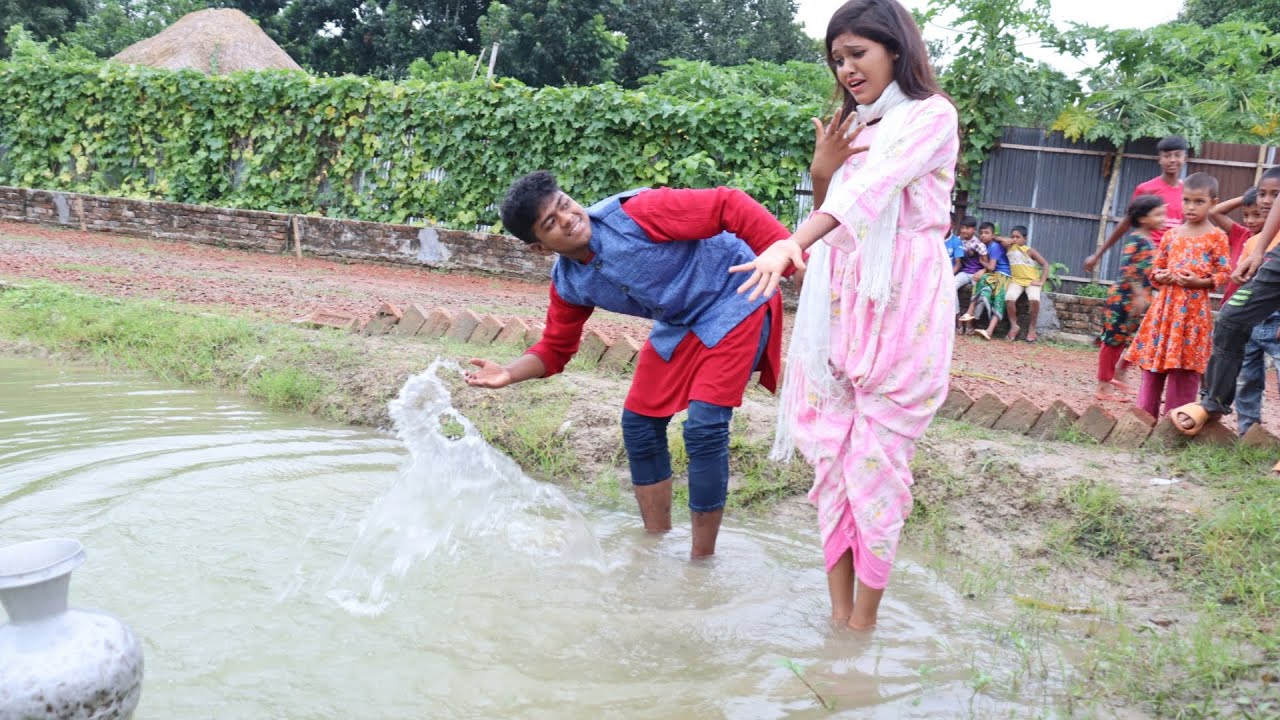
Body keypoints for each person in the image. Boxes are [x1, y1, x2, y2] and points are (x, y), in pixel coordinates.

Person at [730, 0, 958, 631]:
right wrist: (820, 171)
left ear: (896, 49)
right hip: (843, 298)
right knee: (832, 458)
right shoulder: (851, 126)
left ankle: (864, 623)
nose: (847, 69)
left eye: (858, 54)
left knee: (877, 466)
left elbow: (876, 190)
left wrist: (791, 241)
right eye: (838, 59)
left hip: (902, 303)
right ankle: (839, 620)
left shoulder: (932, 117)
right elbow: (844, 212)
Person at [465, 171, 794, 559]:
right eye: (551, 223)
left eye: (565, 205)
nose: (569, 219)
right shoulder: (569, 283)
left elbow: (727, 204)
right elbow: (555, 348)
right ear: (539, 247)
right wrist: (508, 373)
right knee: (639, 424)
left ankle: (700, 561)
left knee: (705, 426)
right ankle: (654, 545)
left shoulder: (638, 212)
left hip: (737, 295)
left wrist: (782, 250)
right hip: (681, 324)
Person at [1124, 173, 1230, 420]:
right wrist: (1163, 277)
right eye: (1186, 201)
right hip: (1164, 311)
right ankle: (1143, 419)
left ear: (1213, 203)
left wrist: (1199, 282)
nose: (1190, 207)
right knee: (1153, 364)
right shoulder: (1172, 235)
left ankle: (1175, 423)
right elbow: (1155, 270)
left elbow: (1224, 273)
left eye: (1198, 201)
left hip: (1193, 315)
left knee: (1185, 368)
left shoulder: (1217, 237)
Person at [1208, 169, 1280, 435]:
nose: (1265, 201)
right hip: (1251, 321)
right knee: (1248, 376)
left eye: (1274, 195)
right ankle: (1244, 428)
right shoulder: (1248, 239)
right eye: (1262, 194)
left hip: (1275, 321)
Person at [1083, 136, 1188, 274]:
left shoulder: (1188, 192)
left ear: (1184, 158)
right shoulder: (1147, 189)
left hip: (1174, 261)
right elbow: (1127, 222)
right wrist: (1098, 254)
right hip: (1147, 258)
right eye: (1167, 156)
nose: (1172, 160)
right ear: (1160, 159)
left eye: (1177, 155)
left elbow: (1189, 227)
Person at [1096, 195, 1166, 403]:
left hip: (1136, 300)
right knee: (1112, 341)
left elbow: (1147, 272)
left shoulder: (1148, 240)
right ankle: (1103, 386)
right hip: (1124, 299)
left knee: (1126, 341)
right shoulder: (1137, 239)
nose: (1163, 218)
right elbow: (1128, 269)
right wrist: (1137, 294)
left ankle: (1111, 377)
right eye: (1158, 214)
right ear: (1143, 219)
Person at [958, 222, 1010, 340]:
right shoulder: (985, 246)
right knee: (983, 284)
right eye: (981, 233)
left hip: (1003, 274)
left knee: (999, 297)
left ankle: (989, 330)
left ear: (993, 235)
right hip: (993, 274)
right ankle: (971, 313)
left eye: (987, 233)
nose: (983, 235)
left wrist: (981, 263)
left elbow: (991, 267)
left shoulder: (994, 246)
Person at [1001, 225, 1051, 342]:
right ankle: (1014, 325)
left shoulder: (1030, 251)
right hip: (1016, 281)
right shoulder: (1009, 248)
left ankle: (1032, 328)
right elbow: (995, 238)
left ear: (1025, 238)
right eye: (1012, 236)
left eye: (1018, 237)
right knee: (1009, 298)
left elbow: (1045, 264)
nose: (1015, 239)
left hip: (1031, 281)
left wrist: (1041, 281)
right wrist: (1006, 240)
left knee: (1034, 299)